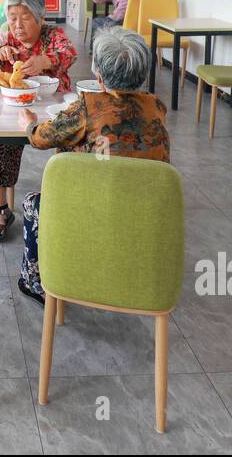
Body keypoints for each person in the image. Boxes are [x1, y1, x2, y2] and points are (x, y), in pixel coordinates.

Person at [12, 28, 170, 304]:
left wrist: (28, 124)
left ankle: (35, 281)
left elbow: (41, 138)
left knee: (33, 203)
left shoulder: (87, 106)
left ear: (98, 75)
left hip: (91, 213)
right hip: (145, 214)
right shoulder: (156, 106)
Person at [0, 0, 78, 241]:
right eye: (12, 17)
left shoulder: (54, 36)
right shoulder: (6, 37)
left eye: (25, 17)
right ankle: (1, 211)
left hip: (54, 111)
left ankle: (66, 207)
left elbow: (70, 53)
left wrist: (46, 61)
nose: (17, 25)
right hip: (15, 110)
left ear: (41, 18)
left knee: (75, 142)